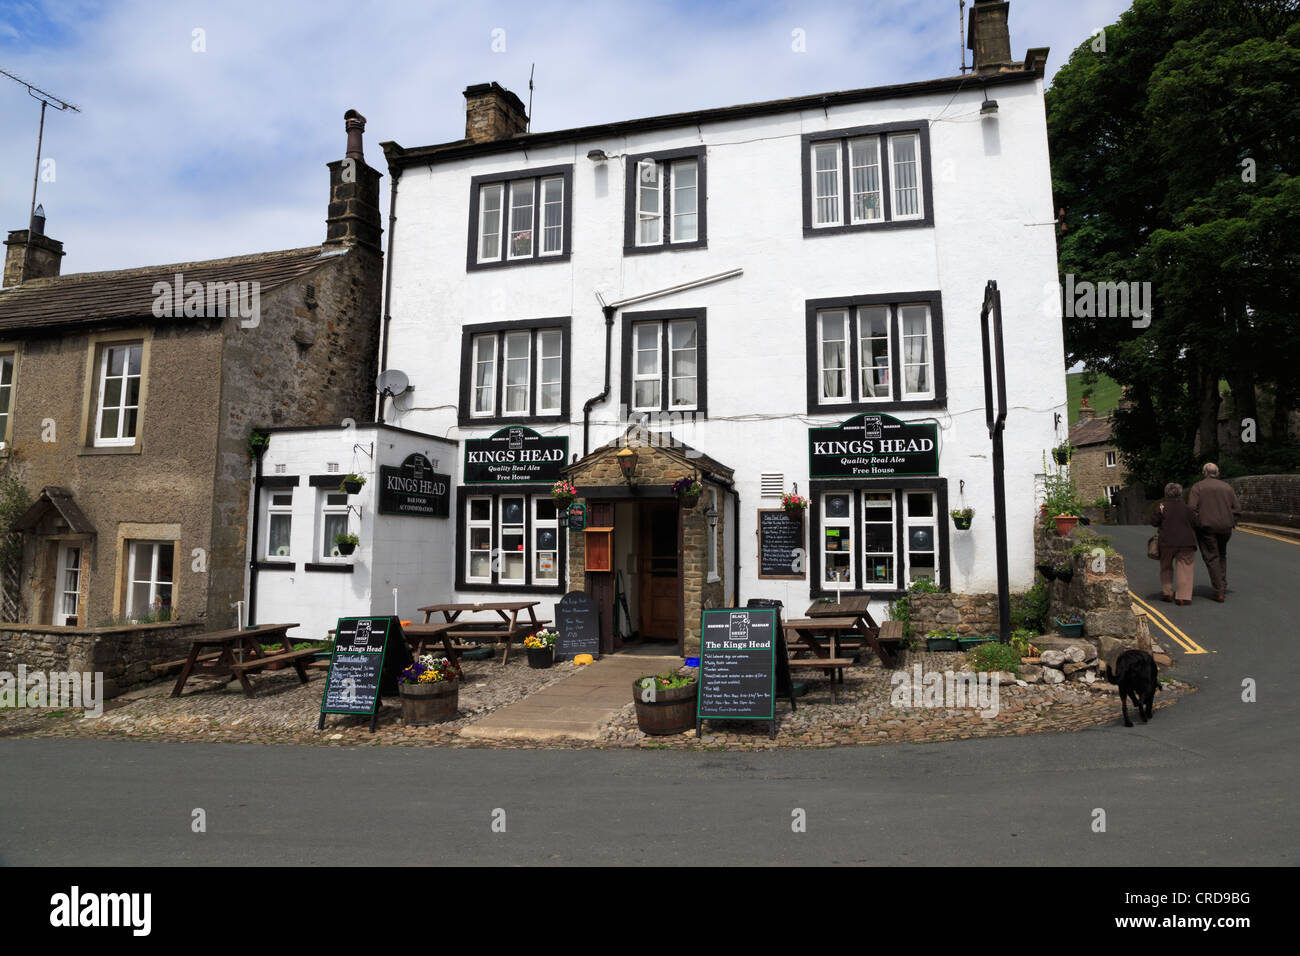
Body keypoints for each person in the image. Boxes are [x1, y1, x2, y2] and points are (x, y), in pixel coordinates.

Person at [1187, 462, 1241, 602]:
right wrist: (1231, 522)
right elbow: (1237, 509)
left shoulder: (1198, 487)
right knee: (1222, 555)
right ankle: (1222, 584)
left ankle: (1219, 590)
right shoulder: (1227, 487)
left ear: (1204, 473)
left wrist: (1198, 524)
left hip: (1206, 528)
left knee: (1211, 557)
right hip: (1225, 528)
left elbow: (1191, 509)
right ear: (1218, 473)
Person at [1150, 482, 1200, 605]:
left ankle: (1167, 593)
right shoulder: (1188, 508)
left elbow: (1154, 522)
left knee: (1165, 567)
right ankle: (1182, 596)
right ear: (1180, 493)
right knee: (1185, 568)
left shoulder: (1161, 507)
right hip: (1186, 542)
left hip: (1166, 542)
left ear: (1166, 494)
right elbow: (1196, 523)